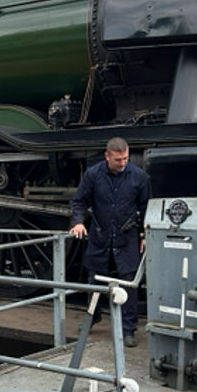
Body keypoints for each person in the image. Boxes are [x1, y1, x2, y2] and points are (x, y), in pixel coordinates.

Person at [69, 136, 150, 347]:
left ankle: (128, 329)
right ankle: (92, 316)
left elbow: (145, 207)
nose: (122, 163)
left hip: (127, 235)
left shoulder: (139, 177)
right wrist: (78, 222)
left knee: (129, 281)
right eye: (118, 160)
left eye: (125, 158)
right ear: (107, 156)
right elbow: (79, 201)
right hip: (100, 234)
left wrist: (145, 235)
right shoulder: (93, 175)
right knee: (95, 278)